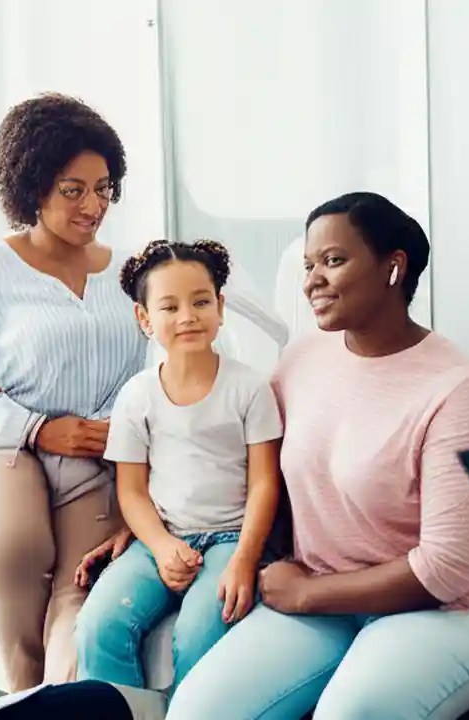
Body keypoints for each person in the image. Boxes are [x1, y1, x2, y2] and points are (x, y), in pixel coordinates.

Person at [168, 192, 469, 719]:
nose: (311, 282)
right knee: (197, 710)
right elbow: (247, 466)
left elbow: (448, 568)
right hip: (323, 593)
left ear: (393, 267)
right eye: (308, 265)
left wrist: (308, 595)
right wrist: (153, 517)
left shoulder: (456, 390)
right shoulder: (304, 359)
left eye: (333, 261)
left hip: (440, 611)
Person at [0, 92, 146, 690]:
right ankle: (24, 694)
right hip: (4, 442)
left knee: (83, 586)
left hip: (96, 454)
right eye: (73, 189)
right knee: (11, 556)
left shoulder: (130, 276)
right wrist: (40, 428)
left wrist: (115, 431)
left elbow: (146, 378)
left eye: (103, 188)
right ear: (32, 186)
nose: (92, 205)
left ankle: (62, 701)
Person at [74, 239, 283, 692]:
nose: (187, 315)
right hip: (161, 537)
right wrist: (163, 546)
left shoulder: (249, 388)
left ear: (221, 307)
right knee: (98, 625)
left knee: (200, 635)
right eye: (169, 306)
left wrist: (245, 560)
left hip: (231, 539)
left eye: (201, 302)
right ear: (144, 319)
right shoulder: (137, 395)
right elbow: (131, 490)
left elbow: (265, 482)